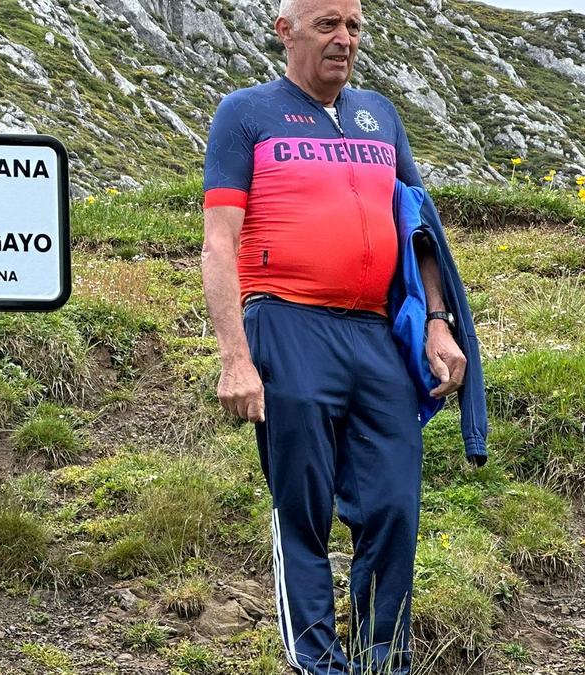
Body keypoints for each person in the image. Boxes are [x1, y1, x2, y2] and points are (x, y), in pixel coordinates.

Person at [201, 1, 475, 673]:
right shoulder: (246, 113)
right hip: (287, 321)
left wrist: (437, 322)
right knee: (303, 506)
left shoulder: (379, 115)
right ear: (285, 31)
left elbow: (419, 229)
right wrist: (236, 357)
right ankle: (317, 663)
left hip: (376, 333)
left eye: (353, 26)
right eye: (327, 24)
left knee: (393, 504)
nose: (344, 39)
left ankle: (382, 660)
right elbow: (218, 242)